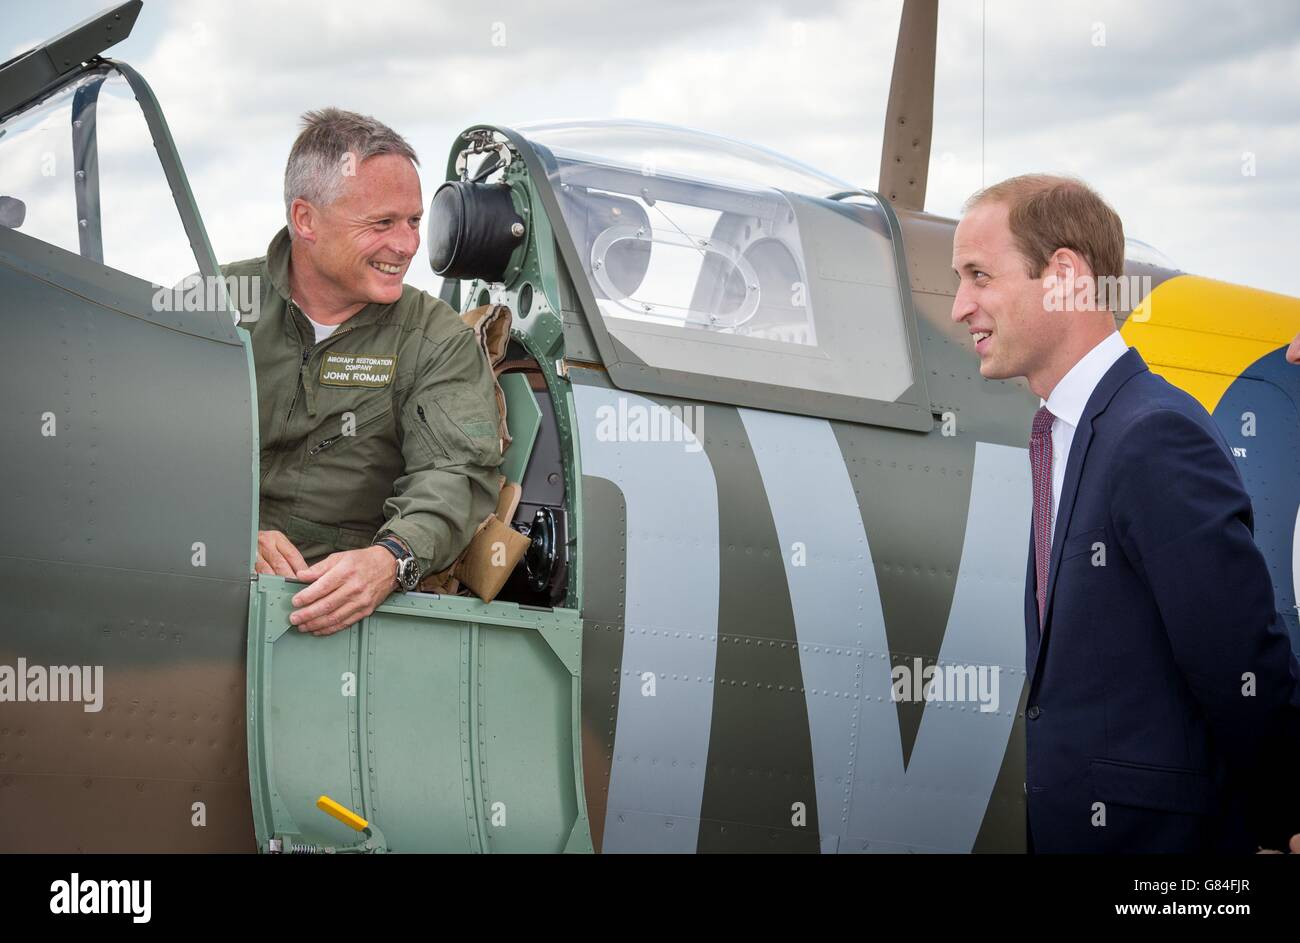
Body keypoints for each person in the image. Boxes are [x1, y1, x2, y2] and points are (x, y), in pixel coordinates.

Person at [950, 174, 1300, 853]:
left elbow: (1236, 653)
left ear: (1064, 275)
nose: (961, 305)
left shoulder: (1151, 433)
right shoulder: (1071, 434)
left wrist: (1289, 812)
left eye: (980, 276)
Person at [222, 108, 501, 636]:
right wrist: (228, 529)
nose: (407, 245)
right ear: (306, 220)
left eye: (414, 221)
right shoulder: (215, 303)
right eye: (381, 223)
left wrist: (390, 560)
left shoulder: (434, 339)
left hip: (327, 612)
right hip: (193, 577)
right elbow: (138, 444)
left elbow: (454, 475)